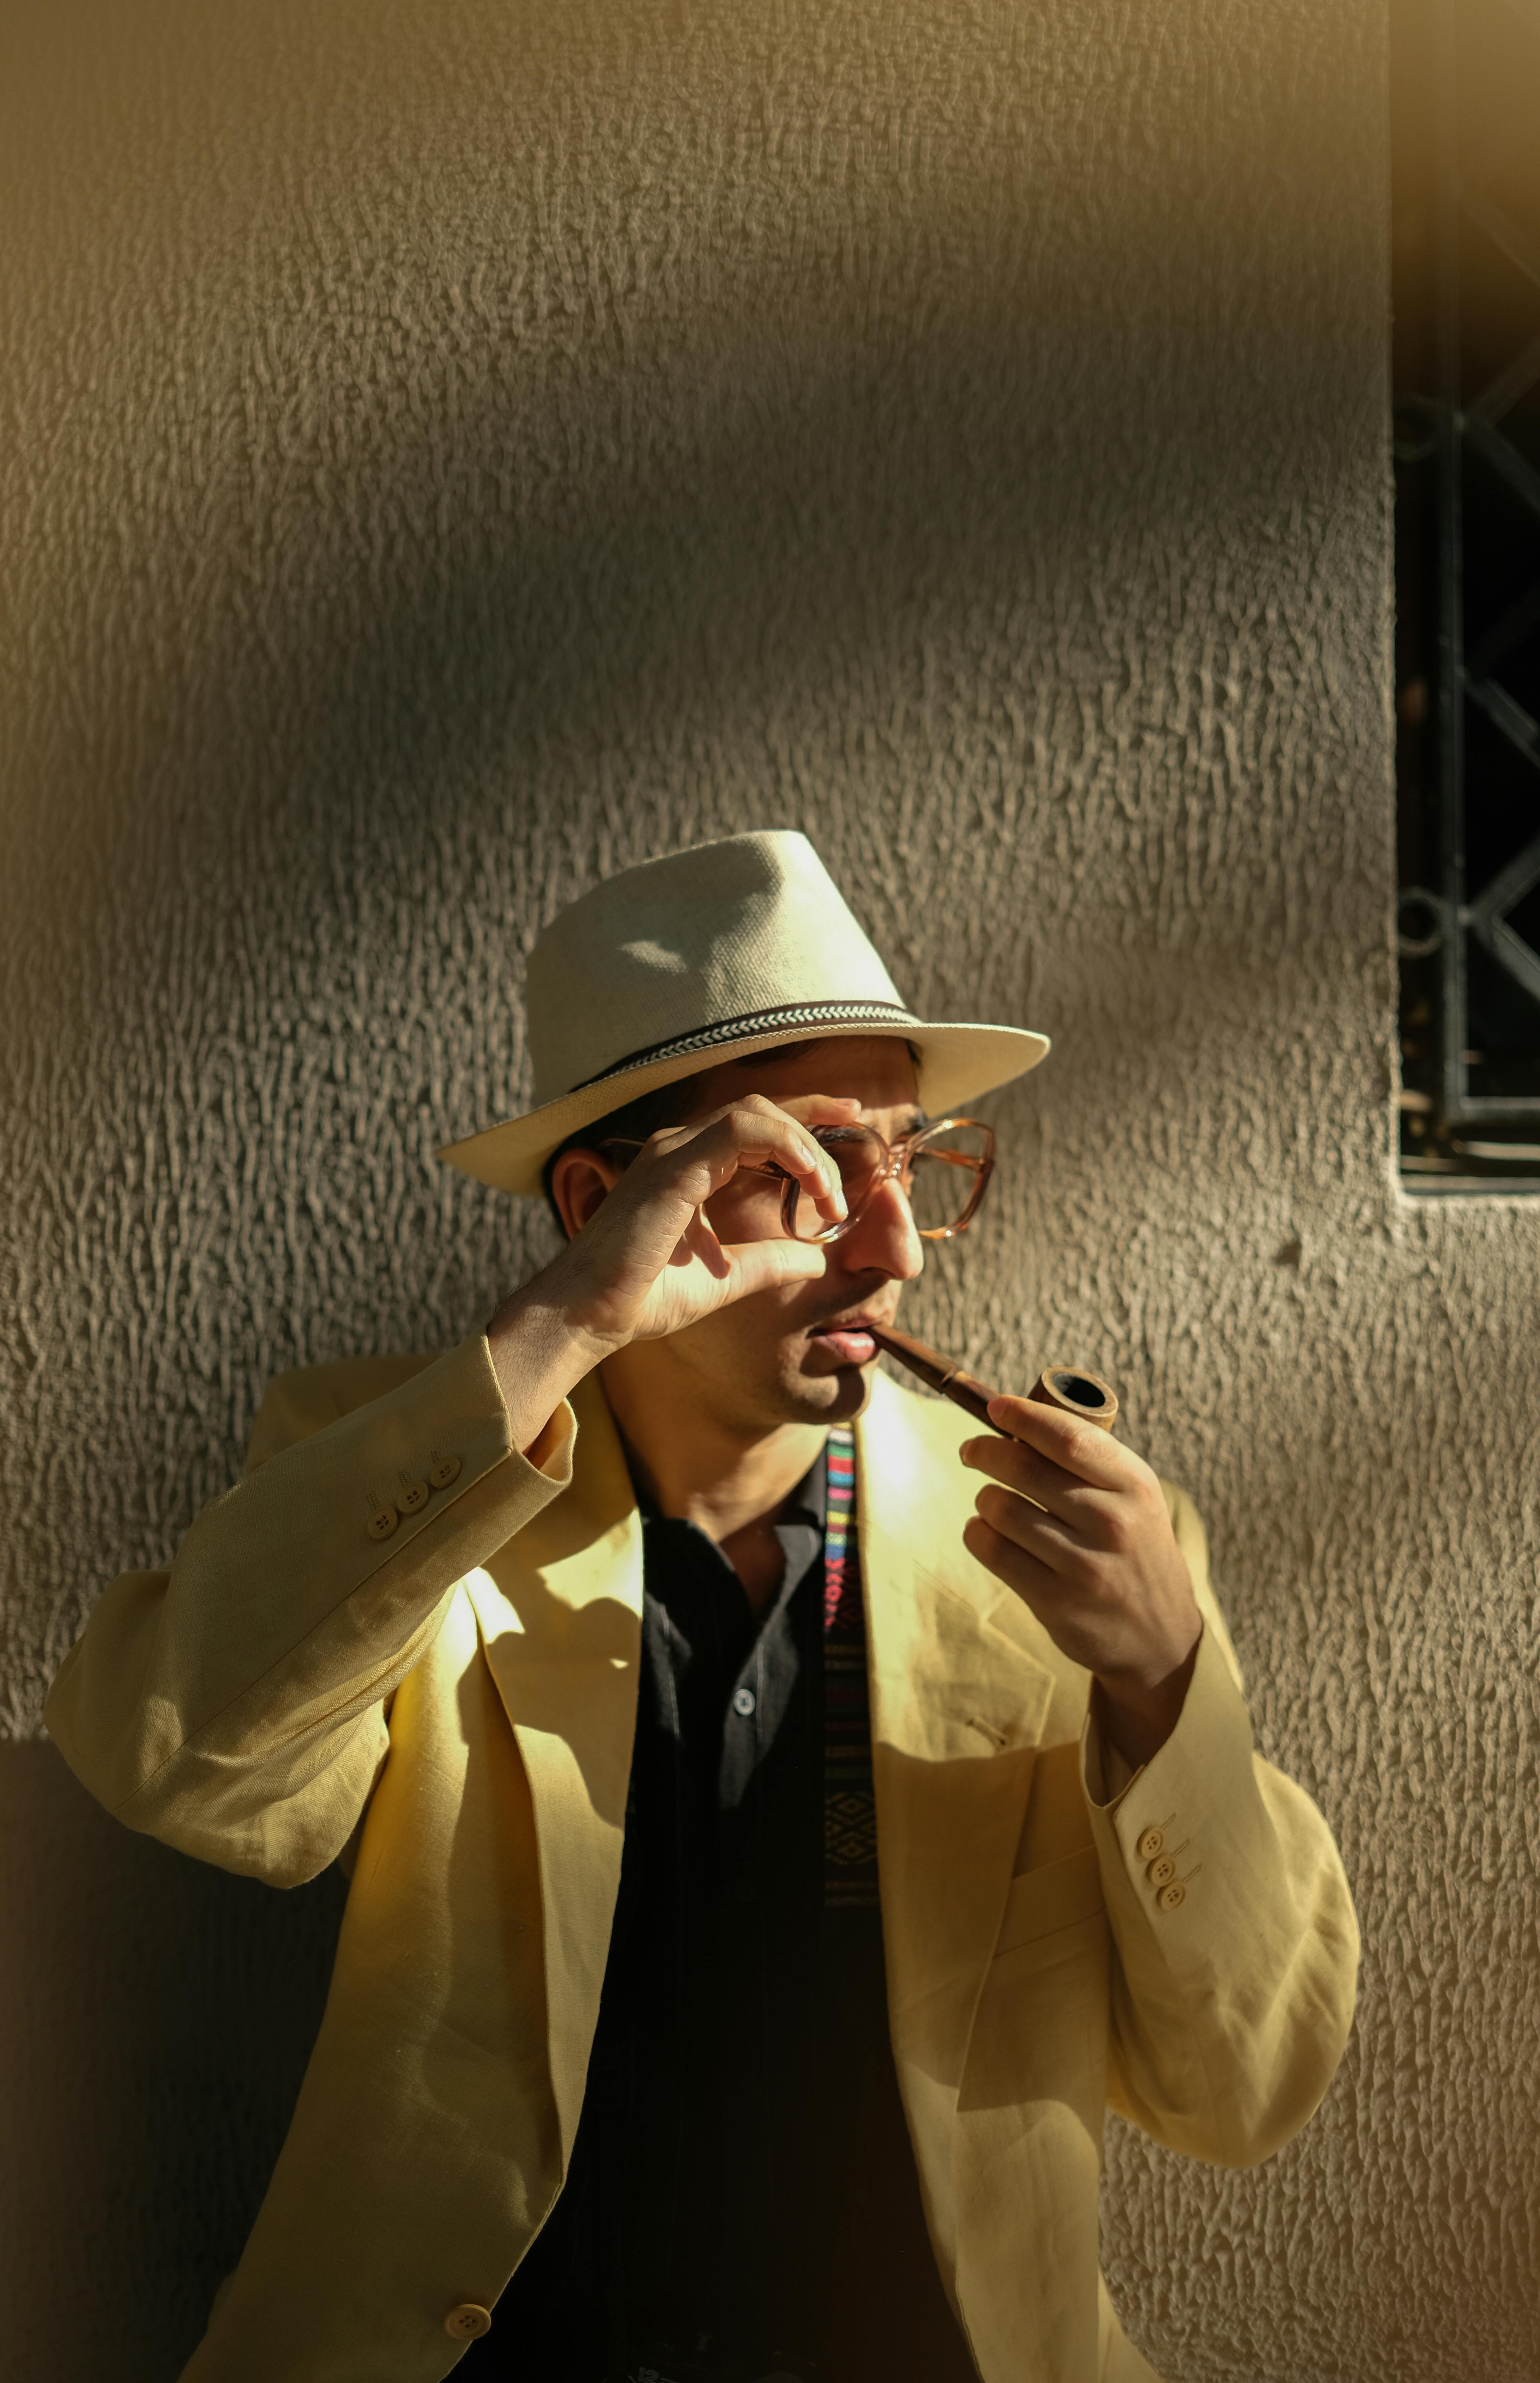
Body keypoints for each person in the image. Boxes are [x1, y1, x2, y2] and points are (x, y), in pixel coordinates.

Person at [46, 830, 1359, 2383]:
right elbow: (179, 1766)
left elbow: (1246, 2089)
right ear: (608, 1201)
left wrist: (1160, 1678)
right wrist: (554, 1333)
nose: (889, 1247)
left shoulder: (1056, 1553)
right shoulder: (420, 1483)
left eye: (909, 1161)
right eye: (797, 1176)